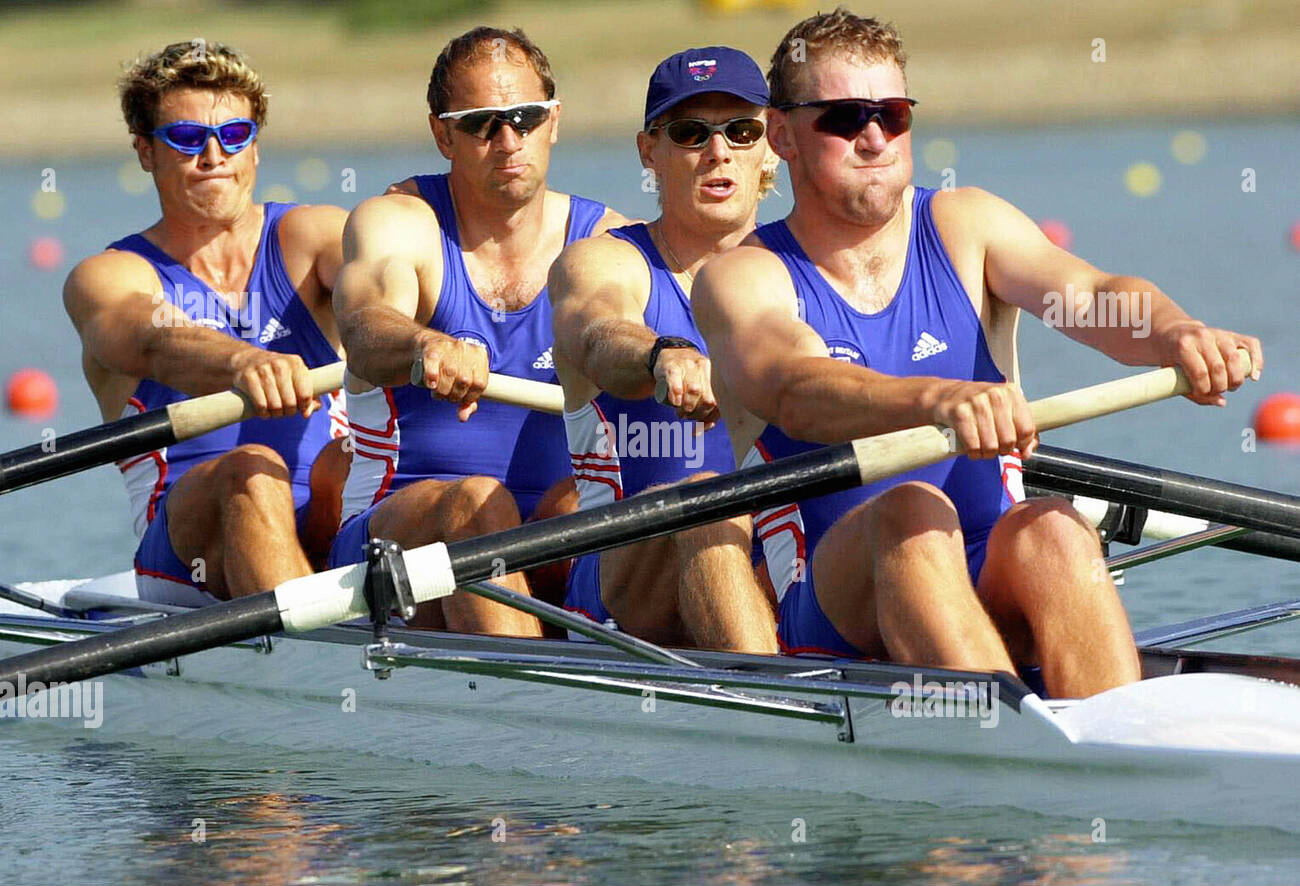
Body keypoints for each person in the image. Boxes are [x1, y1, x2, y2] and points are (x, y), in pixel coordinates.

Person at [692, 9, 1264, 697]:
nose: (874, 137)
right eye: (843, 118)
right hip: (833, 604)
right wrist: (939, 400)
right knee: (910, 510)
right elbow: (792, 387)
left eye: (893, 114)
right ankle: (1011, 742)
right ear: (782, 134)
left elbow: (1092, 296)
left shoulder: (965, 225)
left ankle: (1118, 739)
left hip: (987, 570)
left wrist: (1175, 333)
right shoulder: (744, 275)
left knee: (1054, 525)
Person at [330, 26, 624, 636]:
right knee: (476, 502)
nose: (509, 140)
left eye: (525, 117)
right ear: (443, 133)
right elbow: (362, 325)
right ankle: (529, 711)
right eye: (481, 123)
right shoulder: (399, 223)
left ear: (555, 121)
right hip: (394, 542)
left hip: (550, 532)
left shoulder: (609, 242)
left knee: (590, 507)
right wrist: (426, 344)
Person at [64, 40, 349, 607]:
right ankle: (317, 666)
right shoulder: (108, 276)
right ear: (145, 152)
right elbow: (150, 337)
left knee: (369, 467)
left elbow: (387, 294)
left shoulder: (312, 237)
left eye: (235, 135)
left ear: (255, 149)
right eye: (187, 139)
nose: (214, 155)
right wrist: (242, 362)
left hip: (324, 519)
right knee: (252, 468)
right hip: (188, 555)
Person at [550, 47, 778, 650]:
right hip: (625, 581)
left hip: (782, 550)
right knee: (709, 502)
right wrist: (663, 355)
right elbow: (598, 331)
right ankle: (774, 713)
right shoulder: (603, 261)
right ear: (649, 151)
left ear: (771, 145)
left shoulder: (814, 269)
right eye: (689, 133)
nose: (718, 151)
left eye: (741, 130)